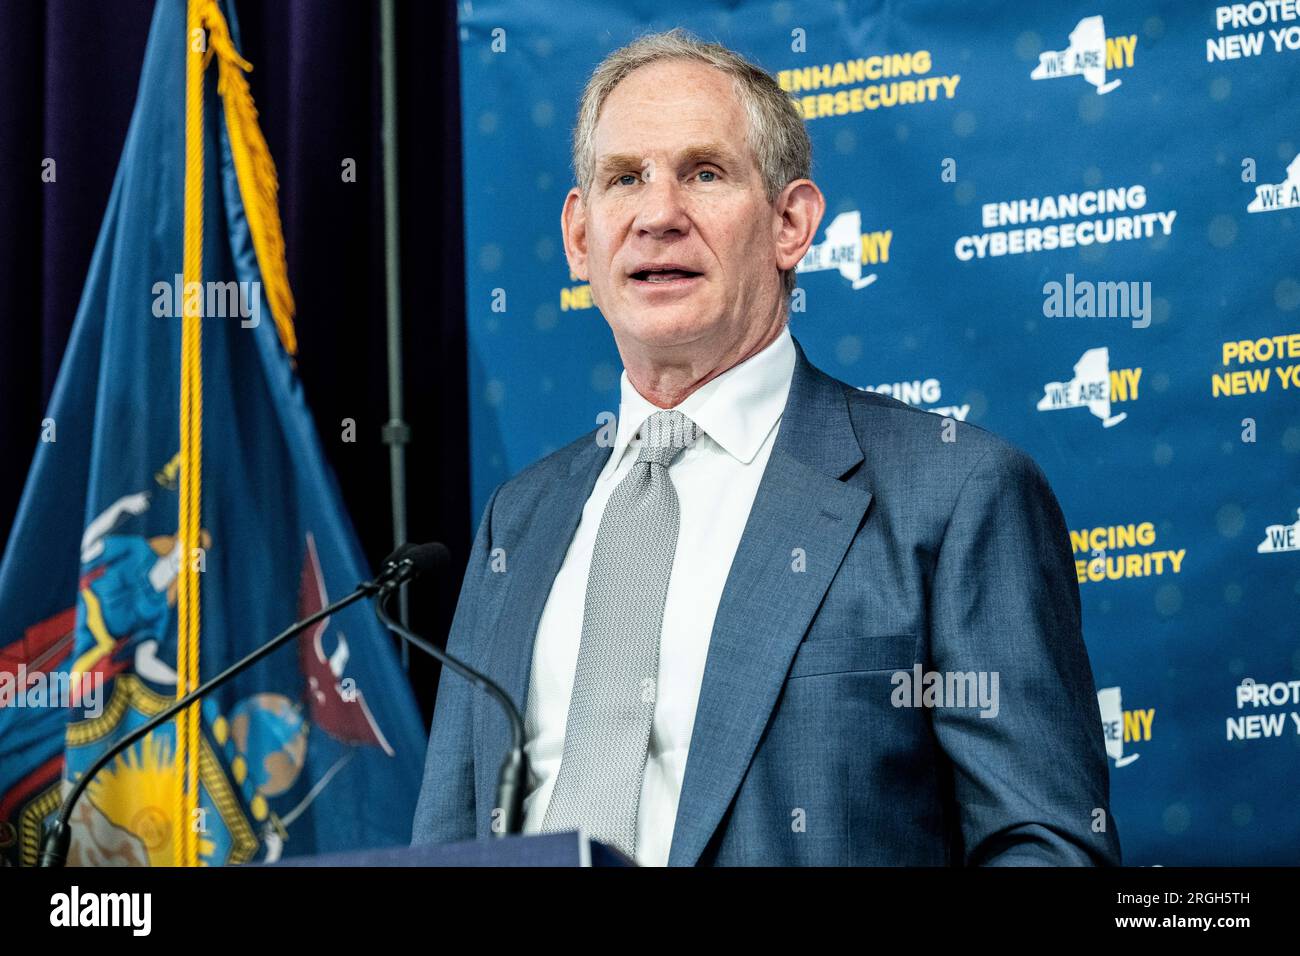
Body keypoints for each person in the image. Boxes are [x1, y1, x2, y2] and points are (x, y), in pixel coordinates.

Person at [412, 28, 1120, 867]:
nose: (659, 215)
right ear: (580, 240)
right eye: (624, 179)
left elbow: (1045, 847)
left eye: (704, 174)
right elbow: (447, 845)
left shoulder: (958, 493)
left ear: (791, 223)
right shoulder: (518, 521)